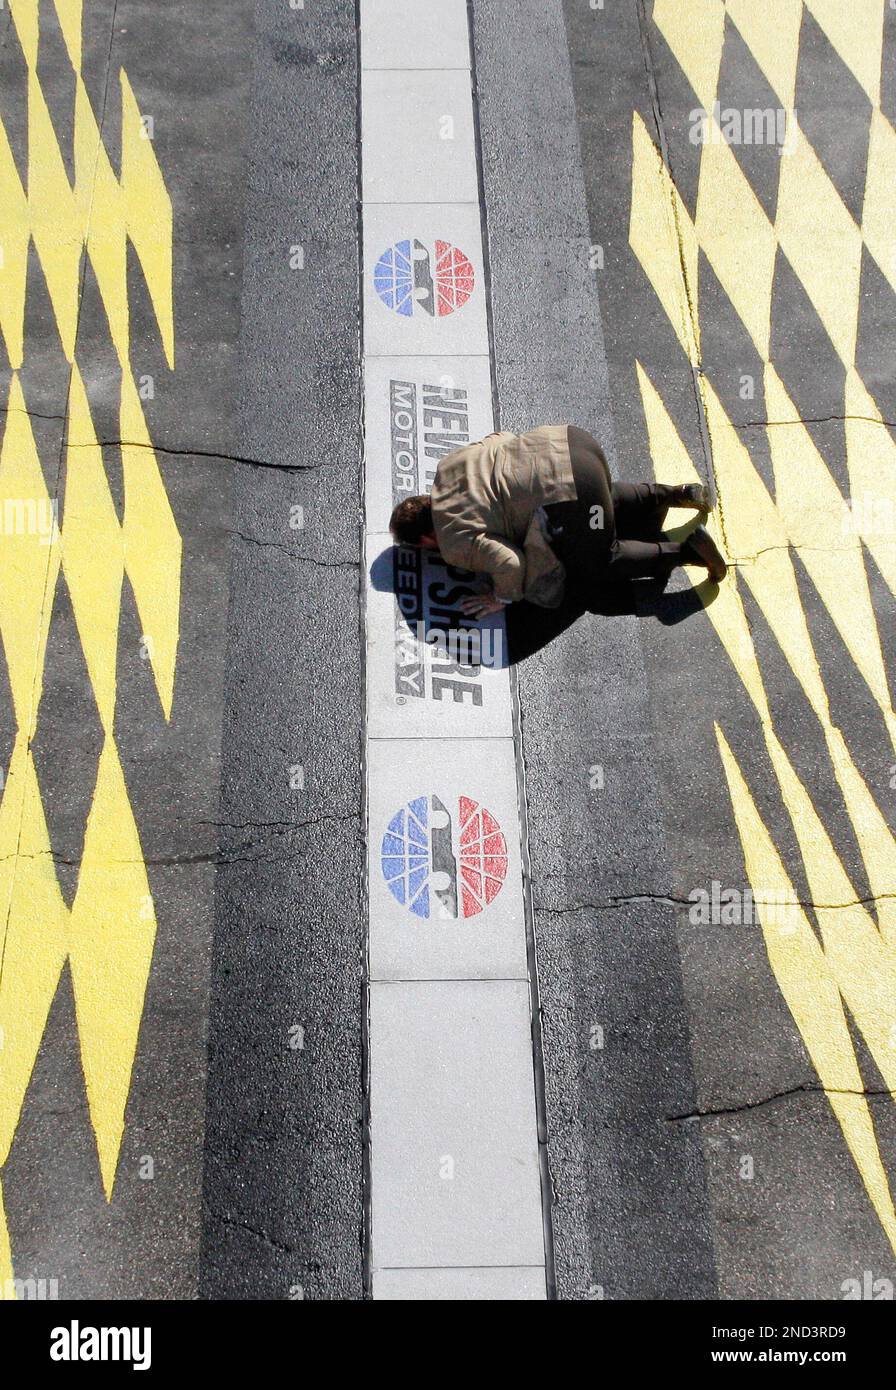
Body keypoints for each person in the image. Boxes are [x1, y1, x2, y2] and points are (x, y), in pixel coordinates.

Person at [389, 425, 726, 618]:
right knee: (602, 495)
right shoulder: (448, 467)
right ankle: (679, 493)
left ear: (423, 540)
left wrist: (501, 598)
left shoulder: (452, 542)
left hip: (570, 496)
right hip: (572, 443)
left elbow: (511, 563)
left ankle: (687, 553)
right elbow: (500, 437)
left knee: (601, 558)